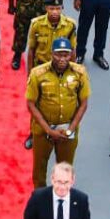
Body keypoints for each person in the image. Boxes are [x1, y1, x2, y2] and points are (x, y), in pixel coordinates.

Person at [26, 38, 90, 189]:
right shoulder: (37, 74)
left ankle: (61, 195)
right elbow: (30, 104)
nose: (62, 59)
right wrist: (49, 130)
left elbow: (84, 103)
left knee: (65, 169)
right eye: (58, 55)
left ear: (71, 55)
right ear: (51, 54)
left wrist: (70, 129)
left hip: (68, 132)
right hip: (43, 131)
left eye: (66, 55)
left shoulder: (79, 73)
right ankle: (40, 199)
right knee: (39, 169)